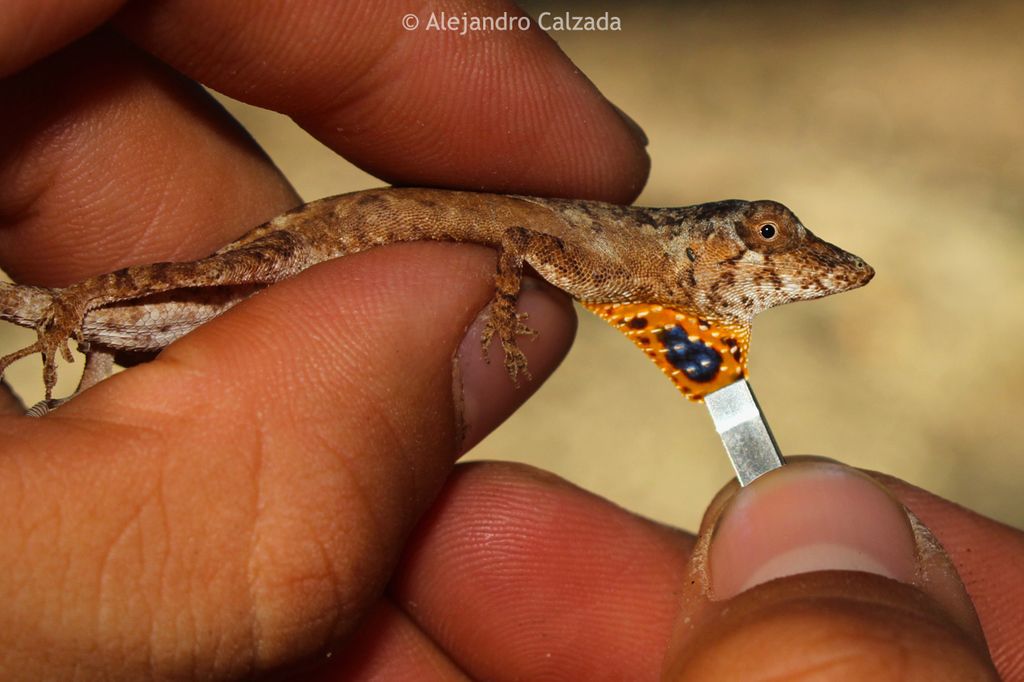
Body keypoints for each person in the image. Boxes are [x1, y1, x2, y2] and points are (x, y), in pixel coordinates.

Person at [0, 1, 1018, 679]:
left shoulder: (642, 272)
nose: (782, 254)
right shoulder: (618, 259)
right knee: (205, 278)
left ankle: (69, 312)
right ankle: (67, 303)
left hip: (347, 273)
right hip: (335, 240)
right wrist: (495, 311)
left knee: (190, 314)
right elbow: (526, 243)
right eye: (763, 236)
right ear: (702, 239)